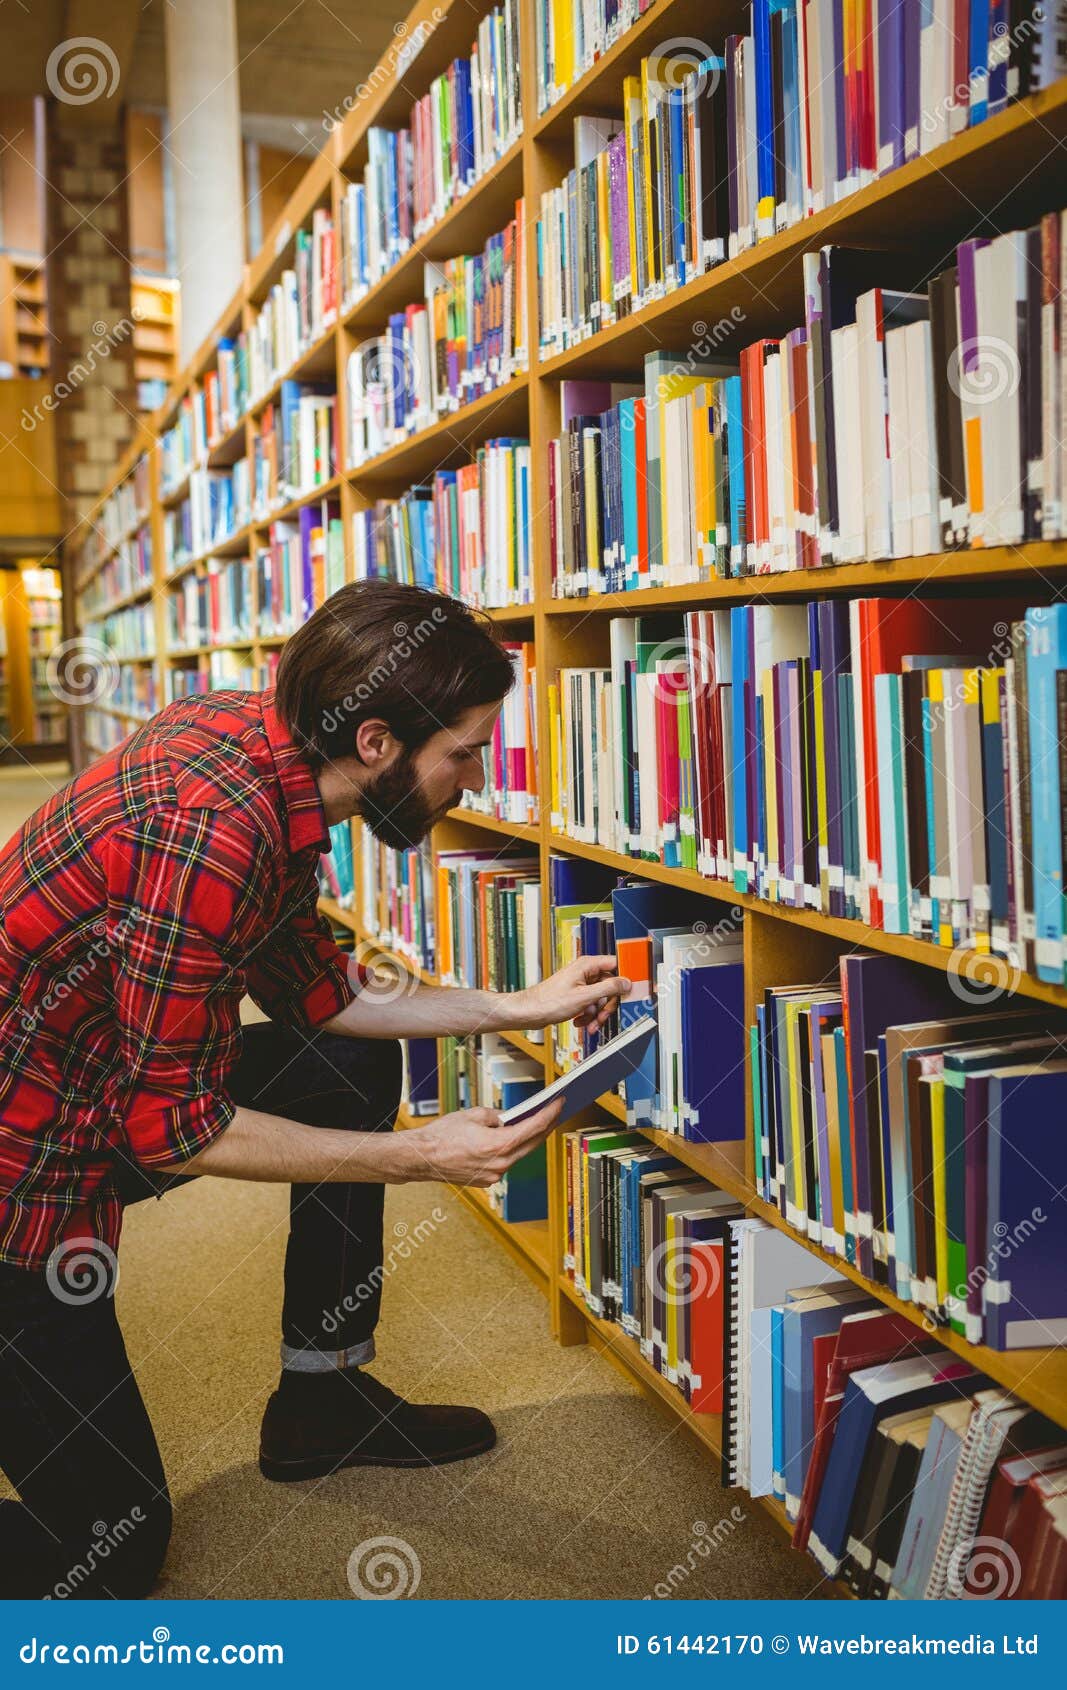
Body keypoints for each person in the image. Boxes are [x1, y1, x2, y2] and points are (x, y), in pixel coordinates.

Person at [0, 580, 628, 1599]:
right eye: (462, 752)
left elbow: (319, 991)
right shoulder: (214, 827)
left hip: (85, 1085)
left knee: (345, 1065)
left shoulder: (266, 749)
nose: (471, 780)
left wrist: (512, 1005)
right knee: (110, 1550)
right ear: (377, 742)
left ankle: (320, 1401)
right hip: (22, 1171)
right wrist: (422, 1156)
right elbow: (176, 1130)